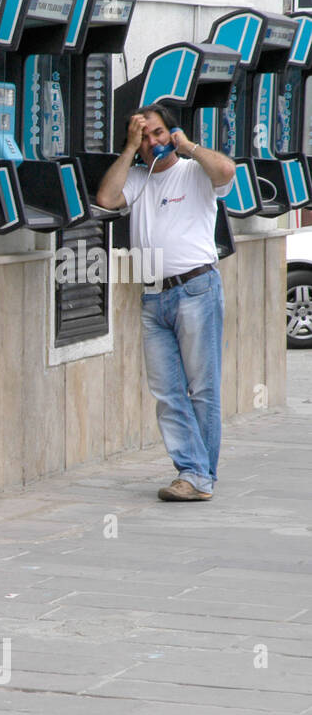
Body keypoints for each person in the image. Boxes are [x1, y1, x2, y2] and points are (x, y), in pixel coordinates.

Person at [95, 102, 236, 501]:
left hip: (196, 288)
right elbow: (106, 199)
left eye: (157, 133)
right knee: (166, 392)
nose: (152, 142)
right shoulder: (138, 178)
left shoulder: (195, 172)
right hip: (153, 295)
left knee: (202, 388)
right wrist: (128, 149)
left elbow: (226, 171)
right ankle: (194, 475)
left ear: (171, 133)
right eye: (144, 137)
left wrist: (187, 146)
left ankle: (196, 476)